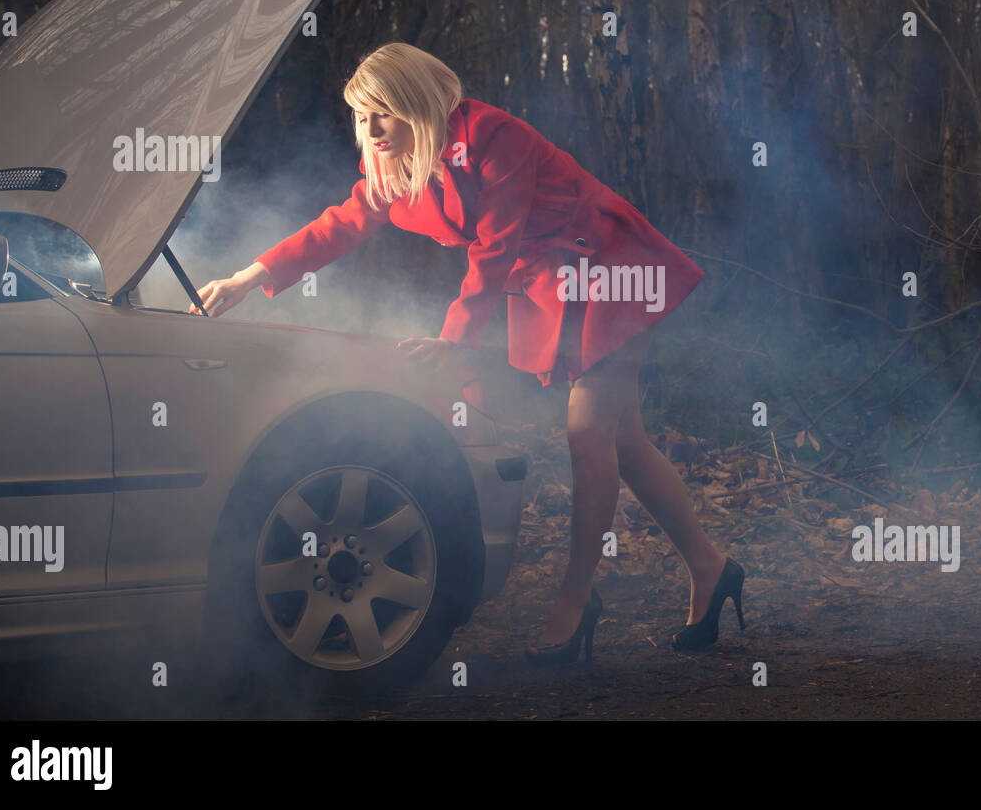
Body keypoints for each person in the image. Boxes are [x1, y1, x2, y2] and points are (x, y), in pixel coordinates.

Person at [188, 41, 744, 662]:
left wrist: (455, 340)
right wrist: (246, 276)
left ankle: (576, 596)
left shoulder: (490, 134)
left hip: (604, 266)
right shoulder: (395, 164)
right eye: (360, 115)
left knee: (589, 433)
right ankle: (710, 568)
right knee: (624, 443)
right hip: (547, 284)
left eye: (383, 113)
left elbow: (495, 246)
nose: (370, 130)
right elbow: (340, 223)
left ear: (416, 104)